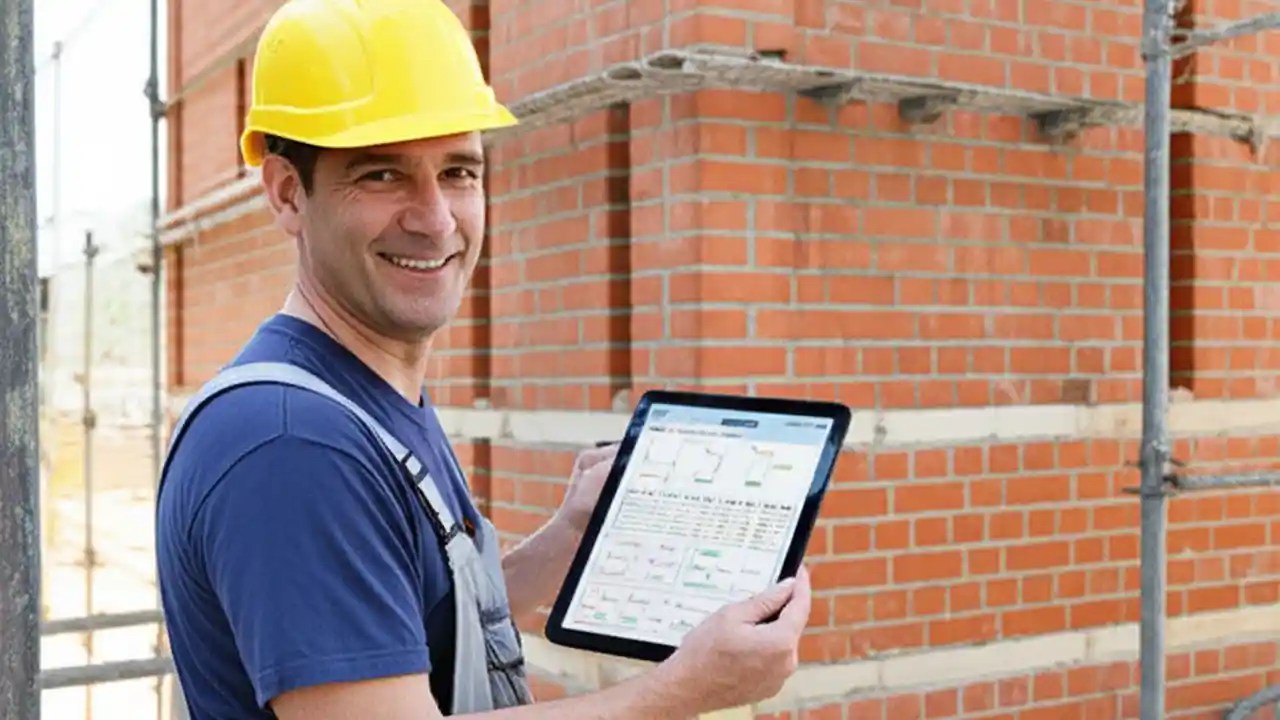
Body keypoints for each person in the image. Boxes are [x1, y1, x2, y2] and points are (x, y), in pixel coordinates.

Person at [154, 0, 813, 718]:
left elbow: (406, 621)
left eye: (460, 172)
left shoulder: (361, 397)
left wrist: (564, 542)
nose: (435, 218)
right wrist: (683, 689)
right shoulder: (291, 444)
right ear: (288, 193)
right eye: (382, 175)